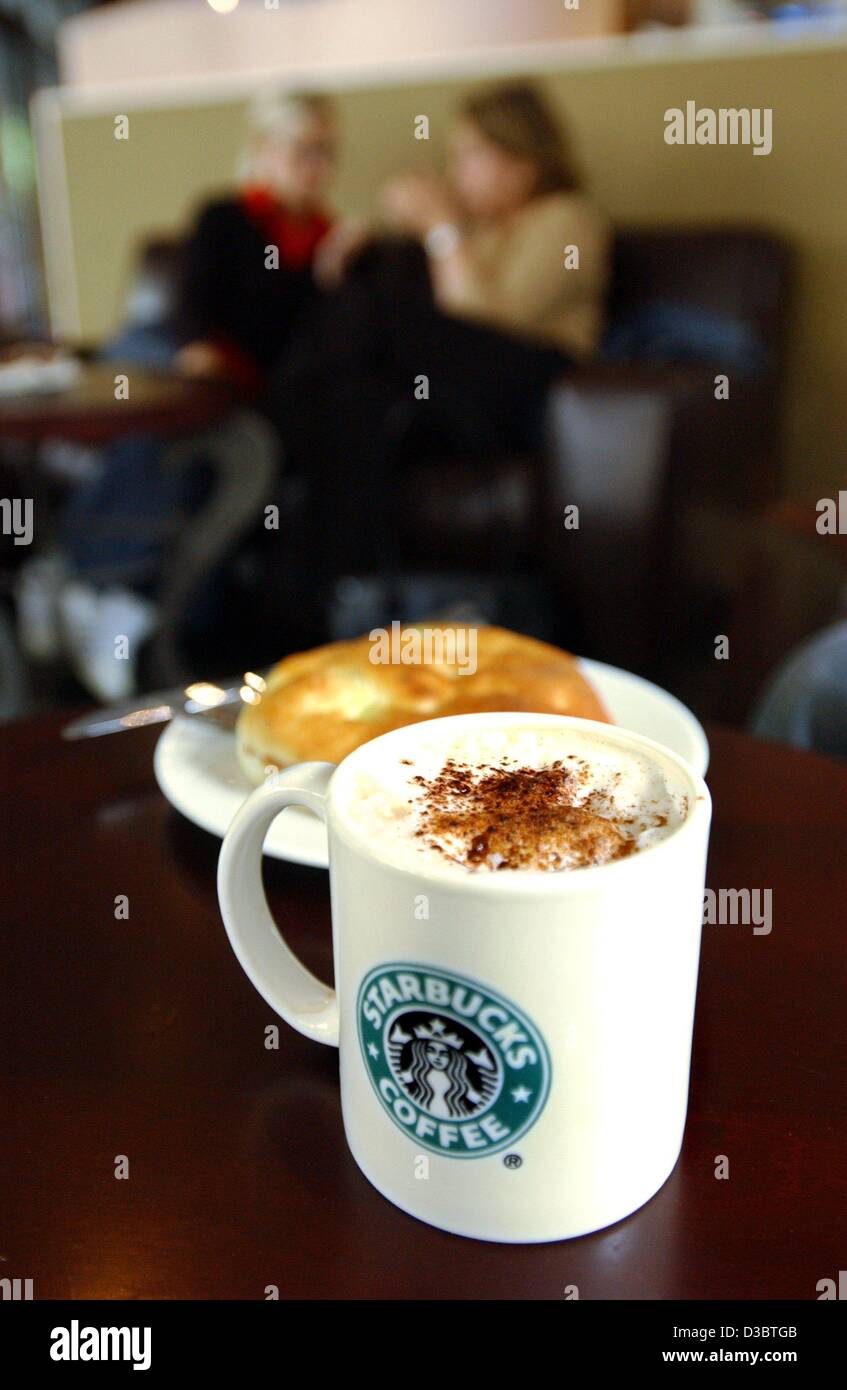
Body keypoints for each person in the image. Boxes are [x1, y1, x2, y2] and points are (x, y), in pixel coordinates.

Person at [36, 91, 338, 700]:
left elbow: (298, 352)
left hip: (236, 389)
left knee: (227, 439)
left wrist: (326, 273)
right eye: (304, 149)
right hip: (170, 351)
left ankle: (99, 589)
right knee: (155, 410)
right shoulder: (224, 215)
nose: (318, 165)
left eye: (327, 152)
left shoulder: (329, 247)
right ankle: (91, 581)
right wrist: (194, 345)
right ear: (263, 150)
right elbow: (190, 300)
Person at [272, 82, 611, 597]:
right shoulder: (481, 229)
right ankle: (327, 606)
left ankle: (272, 405)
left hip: (529, 379)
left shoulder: (568, 220)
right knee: (352, 404)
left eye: (470, 155)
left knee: (379, 303)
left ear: (523, 160)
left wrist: (441, 226)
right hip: (454, 385)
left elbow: (485, 316)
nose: (456, 172)